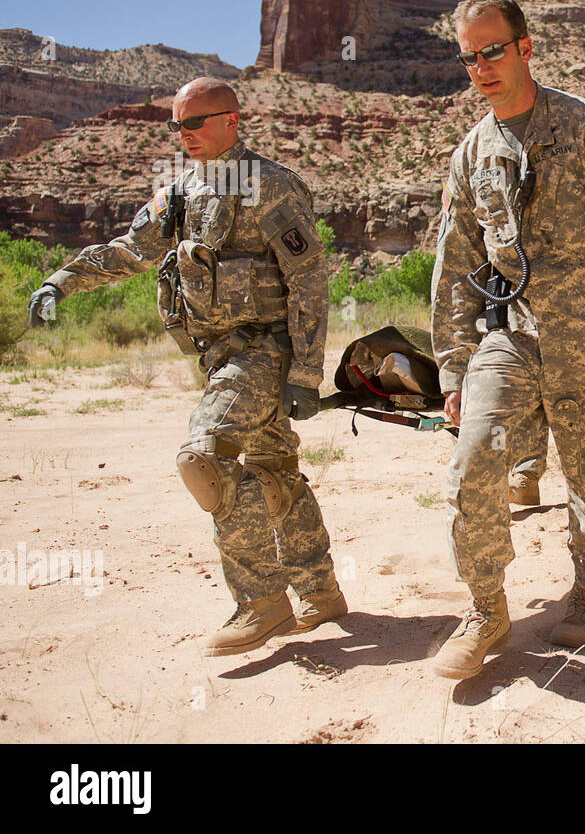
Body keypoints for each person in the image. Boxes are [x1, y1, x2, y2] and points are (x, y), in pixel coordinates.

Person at [25, 77, 345, 657]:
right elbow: (131, 250)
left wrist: (304, 372)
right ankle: (321, 594)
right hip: (220, 355)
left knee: (206, 455)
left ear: (231, 120)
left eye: (195, 123)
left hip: (264, 351)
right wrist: (63, 279)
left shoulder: (268, 185)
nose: (185, 135)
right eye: (177, 125)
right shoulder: (179, 193)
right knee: (274, 468)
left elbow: (308, 279)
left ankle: (261, 602)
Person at [429, 0, 585, 680]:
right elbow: (454, 264)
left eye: (492, 50)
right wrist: (452, 369)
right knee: (474, 458)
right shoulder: (472, 154)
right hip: (515, 332)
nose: (481, 67)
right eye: (468, 56)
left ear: (526, 48)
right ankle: (484, 608)